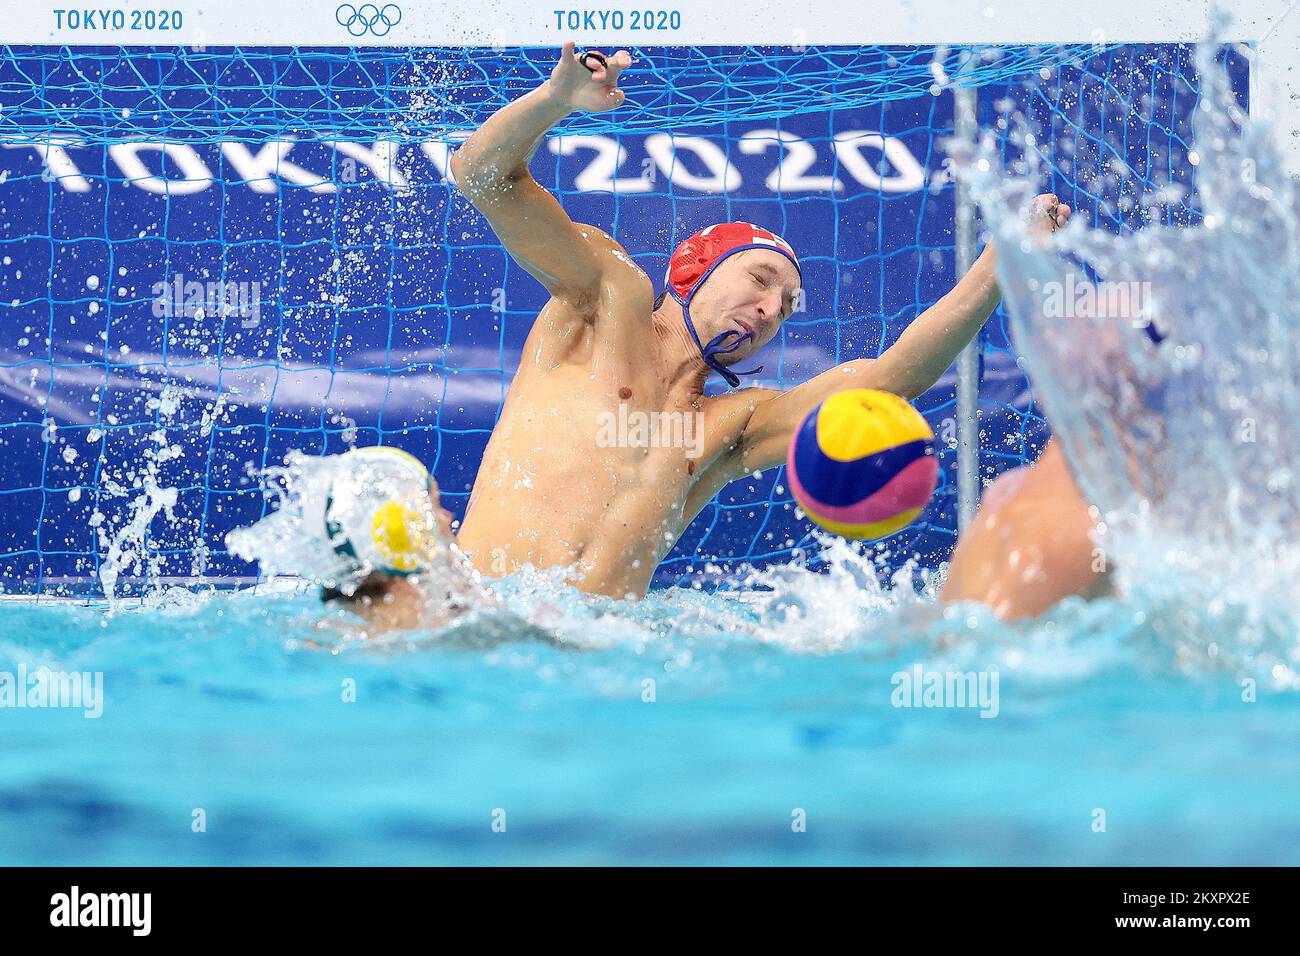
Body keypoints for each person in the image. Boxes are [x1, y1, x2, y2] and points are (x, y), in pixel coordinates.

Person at [446, 43, 1069, 600]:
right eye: (761, 280)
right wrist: (556, 100)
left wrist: (1000, 263)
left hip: (592, 652)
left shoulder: (730, 426)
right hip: (482, 616)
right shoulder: (605, 297)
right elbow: (482, 176)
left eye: (786, 306)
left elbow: (890, 382)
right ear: (691, 268)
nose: (771, 309)